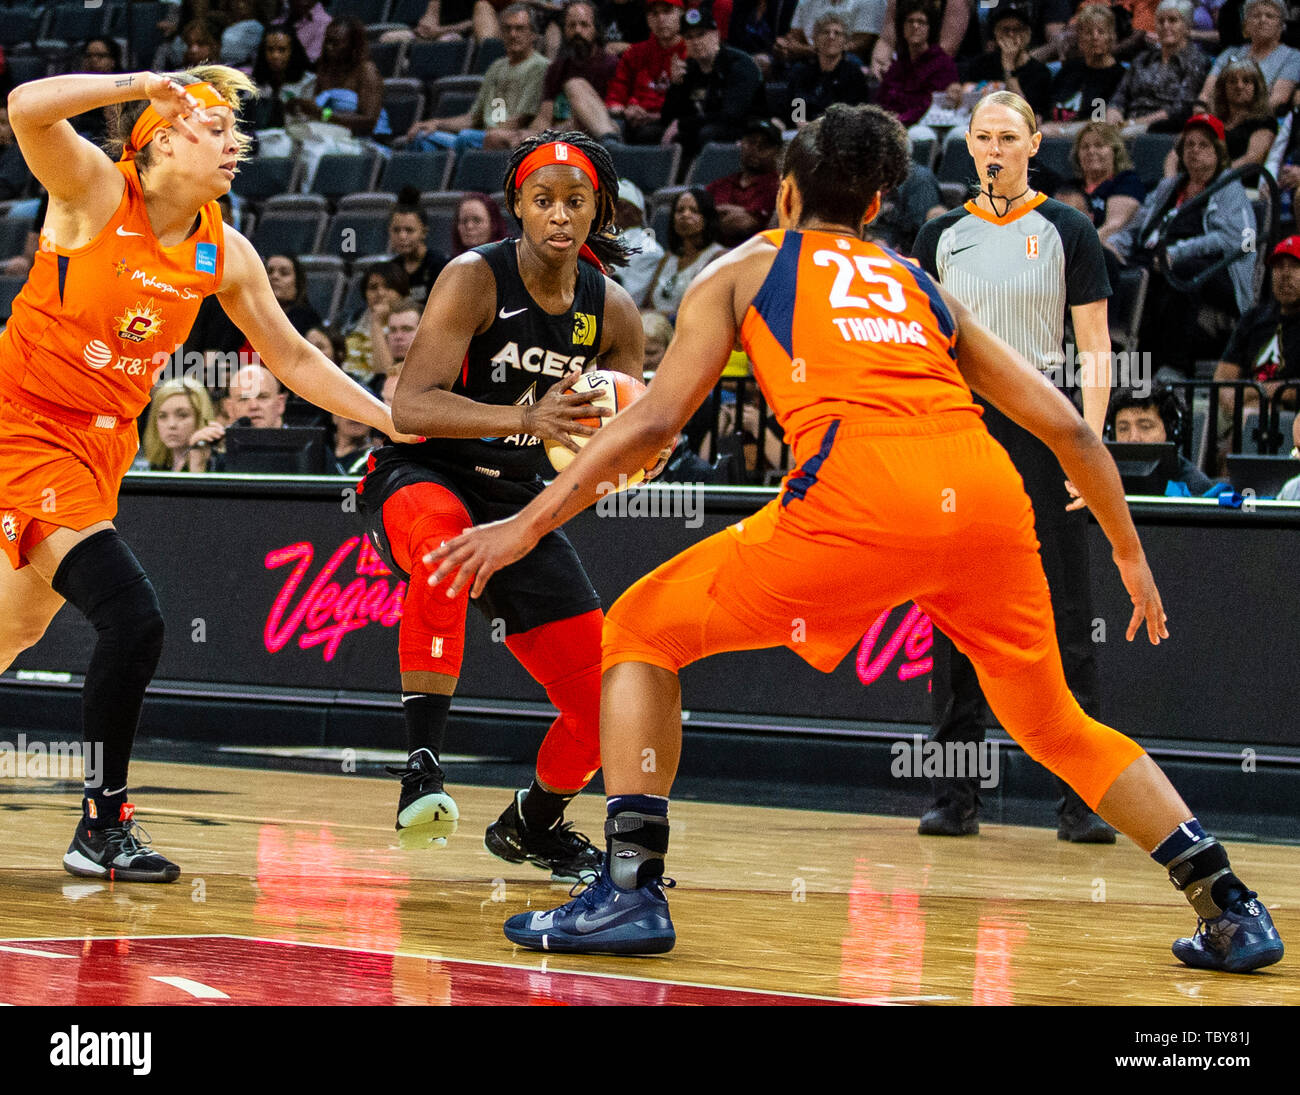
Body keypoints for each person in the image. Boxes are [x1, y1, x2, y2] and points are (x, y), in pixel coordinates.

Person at [427, 103, 1283, 974]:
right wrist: (1130, 555)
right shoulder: (915, 279)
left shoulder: (745, 268)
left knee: (641, 631)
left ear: (786, 192)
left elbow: (651, 426)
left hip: (857, 495)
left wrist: (523, 523)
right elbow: (1068, 426)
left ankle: (629, 890)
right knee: (1056, 722)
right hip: (983, 494)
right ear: (877, 204)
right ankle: (1230, 906)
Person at [0, 65, 404, 883]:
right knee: (134, 615)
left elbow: (289, 356)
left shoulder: (226, 248)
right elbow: (23, 108)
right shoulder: (95, 193)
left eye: (235, 133)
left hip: (105, 447)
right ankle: (102, 823)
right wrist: (139, 81)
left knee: (16, 627)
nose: (233, 144)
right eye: (212, 128)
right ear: (157, 141)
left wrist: (395, 419)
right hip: (25, 427)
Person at [355, 131, 649, 879]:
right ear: (517, 204)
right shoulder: (472, 276)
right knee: (443, 550)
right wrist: (527, 419)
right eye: (543, 200)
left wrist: (631, 459)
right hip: (427, 469)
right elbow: (409, 404)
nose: (558, 215)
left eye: (574, 202)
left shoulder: (614, 313)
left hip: (520, 501)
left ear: (598, 210)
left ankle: (533, 822)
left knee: (605, 695)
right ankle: (422, 767)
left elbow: (614, 440)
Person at [913, 91, 1116, 842]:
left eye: (1009, 135)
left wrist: (1084, 446)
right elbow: (923, 351)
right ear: (968, 145)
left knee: (1067, 612)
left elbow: (1096, 350)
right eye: (983, 136)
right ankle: (954, 793)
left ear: (1035, 142)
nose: (995, 147)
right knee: (955, 612)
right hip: (959, 430)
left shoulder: (1068, 229)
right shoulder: (938, 234)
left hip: (1043, 425)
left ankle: (1084, 795)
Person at [1109, 113, 1258, 375]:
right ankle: (1111, 355)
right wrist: (1114, 245)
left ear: (1218, 152)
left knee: (1181, 272)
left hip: (1213, 269)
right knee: (1109, 262)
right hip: (1157, 257)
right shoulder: (1169, 186)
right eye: (1189, 145)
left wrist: (1177, 253)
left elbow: (1235, 238)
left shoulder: (1228, 187)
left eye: (1203, 145)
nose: (1194, 151)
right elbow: (1137, 226)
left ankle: (1173, 365)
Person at [408, 5, 548, 151]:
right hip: (478, 136)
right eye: (507, 29)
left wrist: (487, 133)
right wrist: (436, 123)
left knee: (466, 137)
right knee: (422, 137)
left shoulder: (540, 67)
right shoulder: (497, 67)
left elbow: (519, 120)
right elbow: (473, 118)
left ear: (533, 34)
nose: (513, 34)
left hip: (510, 140)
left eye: (520, 29)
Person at [661, 7, 764, 166]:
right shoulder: (689, 69)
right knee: (653, 133)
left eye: (701, 34)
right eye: (689, 37)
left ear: (716, 35)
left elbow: (731, 115)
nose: (695, 42)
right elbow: (668, 118)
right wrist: (676, 84)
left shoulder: (739, 64)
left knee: (707, 133)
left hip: (747, 129)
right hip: (704, 127)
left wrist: (682, 124)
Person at [1212, 234, 1300, 420]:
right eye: (1278, 266)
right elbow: (1223, 379)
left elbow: (1293, 393)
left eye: (1294, 266)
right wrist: (1237, 406)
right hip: (1244, 411)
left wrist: (1254, 393)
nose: (1285, 274)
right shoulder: (1254, 318)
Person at [521, 1, 621, 141]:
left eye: (584, 25)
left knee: (574, 86)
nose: (577, 31)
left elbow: (612, 114)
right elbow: (545, 116)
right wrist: (529, 137)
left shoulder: (611, 65)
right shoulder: (557, 68)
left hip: (597, 135)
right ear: (564, 30)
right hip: (561, 136)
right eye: (571, 25)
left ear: (596, 29)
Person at [1107, 0, 1211, 133]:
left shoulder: (1197, 61)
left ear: (1187, 26)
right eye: (1161, 21)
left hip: (1161, 129)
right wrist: (1114, 113)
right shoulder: (1142, 59)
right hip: (1126, 123)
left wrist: (1133, 123)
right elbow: (1120, 96)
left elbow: (1180, 109)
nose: (1165, 26)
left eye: (1172, 20)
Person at [285, 17, 390, 139]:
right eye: (327, 41)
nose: (329, 47)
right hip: (330, 132)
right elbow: (322, 108)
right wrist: (301, 106)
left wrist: (323, 114)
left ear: (353, 46)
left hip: (365, 139)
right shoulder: (325, 68)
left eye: (335, 43)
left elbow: (369, 121)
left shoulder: (366, 71)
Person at [600, 0, 687, 145]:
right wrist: (625, 110)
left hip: (670, 123)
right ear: (647, 19)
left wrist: (654, 116)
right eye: (654, 13)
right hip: (632, 121)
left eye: (667, 12)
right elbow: (615, 95)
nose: (660, 19)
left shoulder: (691, 52)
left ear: (681, 15)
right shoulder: (635, 53)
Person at [1106, 384, 1221, 493]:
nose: (1133, 438)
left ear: (1171, 431)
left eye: (1145, 427)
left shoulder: (1194, 486)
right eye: (1123, 428)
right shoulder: (1101, 481)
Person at [958, 2, 1052, 124]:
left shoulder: (1039, 72)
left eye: (1017, 29)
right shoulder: (980, 65)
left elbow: (1027, 116)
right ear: (996, 34)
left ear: (1028, 34)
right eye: (1005, 30)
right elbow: (966, 99)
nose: (1011, 35)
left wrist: (1009, 68)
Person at [1201, 0, 1300, 115]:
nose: (1262, 20)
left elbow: (1277, 99)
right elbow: (1206, 94)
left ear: (1281, 26)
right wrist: (1201, 108)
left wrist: (1238, 118)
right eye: (1256, 16)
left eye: (1270, 16)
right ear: (1246, 25)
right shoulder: (1230, 52)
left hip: (1259, 121)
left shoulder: (1293, 56)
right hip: (1219, 116)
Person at [1040, 4, 1126, 135]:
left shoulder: (1119, 76)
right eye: (1089, 32)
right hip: (1049, 135)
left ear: (1111, 37)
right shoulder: (1069, 69)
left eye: (1101, 32)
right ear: (1080, 39)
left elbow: (1105, 121)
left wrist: (1062, 130)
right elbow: (1047, 105)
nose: (1095, 37)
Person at [873, 0, 959, 129]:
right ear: (902, 28)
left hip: (926, 127)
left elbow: (929, 104)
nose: (915, 26)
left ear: (929, 28)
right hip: (891, 127)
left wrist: (900, 119)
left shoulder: (942, 64)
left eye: (921, 22)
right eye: (910, 21)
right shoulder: (898, 65)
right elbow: (881, 100)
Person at [643, 187, 728, 317]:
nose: (685, 215)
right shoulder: (668, 257)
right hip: (653, 323)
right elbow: (648, 303)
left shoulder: (718, 257)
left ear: (707, 218)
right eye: (679, 210)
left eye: (694, 210)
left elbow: (700, 310)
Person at [782, 13, 871, 127]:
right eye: (825, 32)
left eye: (837, 33)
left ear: (845, 42)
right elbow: (796, 104)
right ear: (815, 39)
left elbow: (857, 115)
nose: (831, 36)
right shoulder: (801, 74)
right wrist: (802, 123)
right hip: (804, 131)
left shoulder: (854, 75)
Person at [706, 119, 784, 246]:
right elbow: (699, 217)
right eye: (751, 142)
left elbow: (745, 225)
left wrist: (714, 216)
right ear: (741, 143)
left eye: (765, 145)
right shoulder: (721, 184)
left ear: (777, 151)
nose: (756, 149)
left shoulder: (780, 186)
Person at [1071, 121, 1145, 246]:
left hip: (1107, 249)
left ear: (1115, 151)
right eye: (1085, 147)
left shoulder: (1127, 182)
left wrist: (1082, 249)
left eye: (1099, 145)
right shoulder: (1071, 187)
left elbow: (1113, 226)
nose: (1091, 151)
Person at [137, 378, 225, 473]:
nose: (171, 425)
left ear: (201, 417)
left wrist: (197, 464)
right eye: (163, 416)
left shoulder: (219, 463)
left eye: (182, 415)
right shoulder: (153, 466)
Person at [344, 261, 411, 382]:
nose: (380, 293)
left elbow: (385, 374)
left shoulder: (409, 324)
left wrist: (376, 323)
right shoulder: (352, 320)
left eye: (388, 287)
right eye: (373, 288)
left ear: (401, 292)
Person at [1207, 58, 1278, 171]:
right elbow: (1177, 153)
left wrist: (1214, 176)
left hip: (1240, 183)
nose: (1239, 86)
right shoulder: (1211, 119)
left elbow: (1252, 159)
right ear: (1223, 88)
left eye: (1246, 81)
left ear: (1257, 87)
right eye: (1232, 81)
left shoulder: (1264, 121)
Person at [386, 193, 450, 304]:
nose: (402, 236)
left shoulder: (440, 265)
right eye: (396, 230)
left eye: (409, 230)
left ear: (424, 232)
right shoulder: (390, 269)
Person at [249, 24, 314, 130]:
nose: (275, 56)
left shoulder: (308, 82)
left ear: (292, 51)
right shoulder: (255, 81)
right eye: (270, 50)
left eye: (282, 50)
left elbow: (317, 117)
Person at [610, 178, 665, 304]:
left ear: (637, 214)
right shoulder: (592, 237)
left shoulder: (649, 251)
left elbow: (627, 299)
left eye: (618, 206)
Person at [266, 254, 324, 333]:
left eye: (284, 273)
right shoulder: (250, 315)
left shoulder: (310, 321)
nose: (274, 276)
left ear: (298, 284)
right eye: (269, 272)